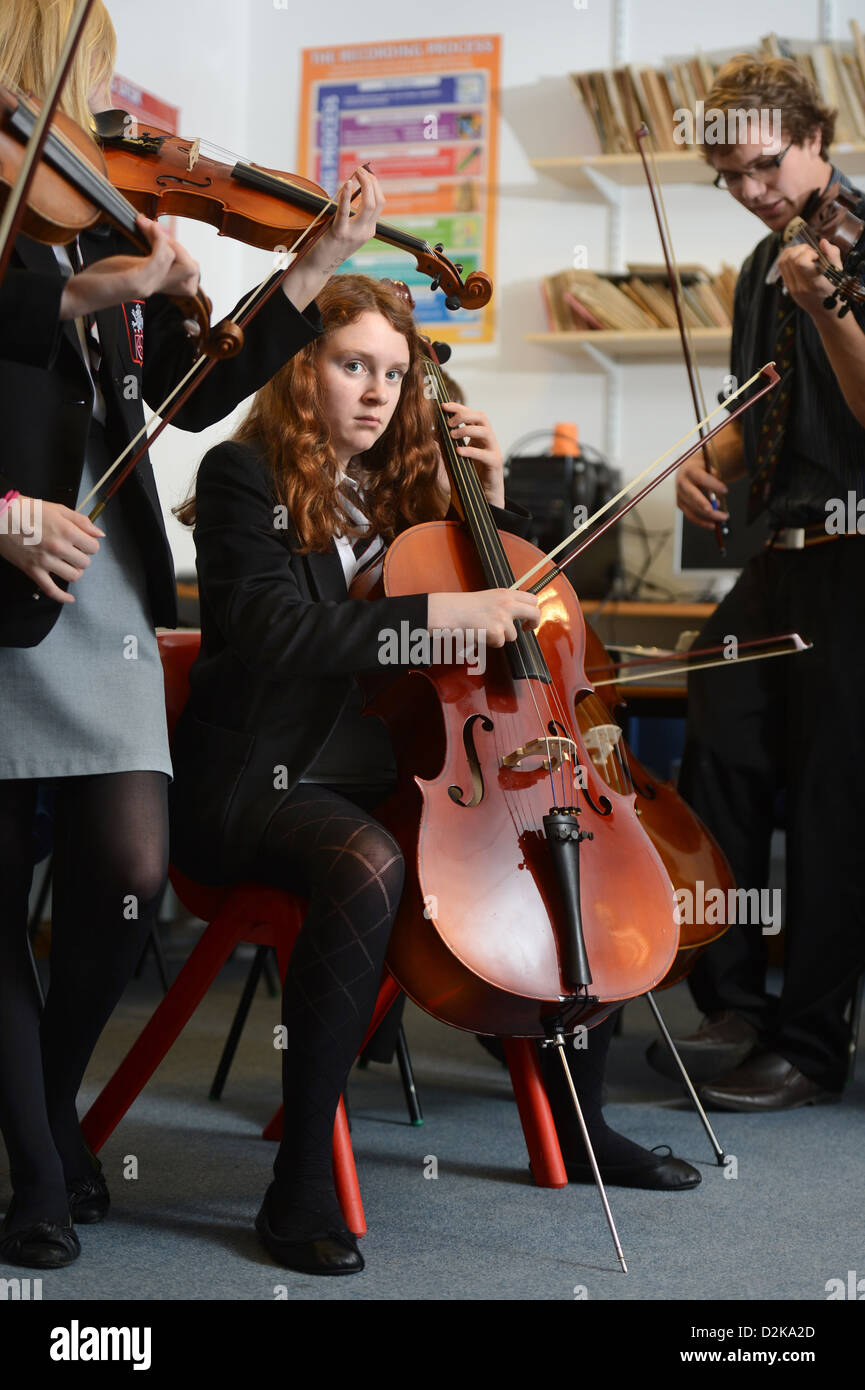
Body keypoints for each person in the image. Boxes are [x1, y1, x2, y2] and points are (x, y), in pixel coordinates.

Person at [169, 273, 701, 1279]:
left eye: (392, 372)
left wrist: (491, 511)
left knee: (564, 839)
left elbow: (510, 628)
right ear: (298, 368)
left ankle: (583, 1125)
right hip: (257, 788)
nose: (374, 390)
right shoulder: (243, 478)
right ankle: (299, 1186)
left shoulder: (412, 493)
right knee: (366, 862)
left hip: (393, 777)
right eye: (350, 364)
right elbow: (273, 631)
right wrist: (445, 616)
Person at [0, 0, 383, 1270]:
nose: (105, 103)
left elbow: (188, 386)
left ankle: (45, 1111)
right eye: (83, 66)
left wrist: (308, 271)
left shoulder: (93, 203)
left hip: (98, 580)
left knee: (126, 877)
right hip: (3, 553)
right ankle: (41, 1169)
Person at [666, 56, 865, 1110]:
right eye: (728, 176)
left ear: (814, 136)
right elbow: (759, 405)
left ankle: (810, 1043)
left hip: (859, 546)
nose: (749, 190)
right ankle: (732, 997)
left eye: (761, 165)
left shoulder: (854, 240)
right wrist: (712, 460)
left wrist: (830, 298)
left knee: (836, 796)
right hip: (783, 550)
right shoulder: (759, 263)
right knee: (720, 721)